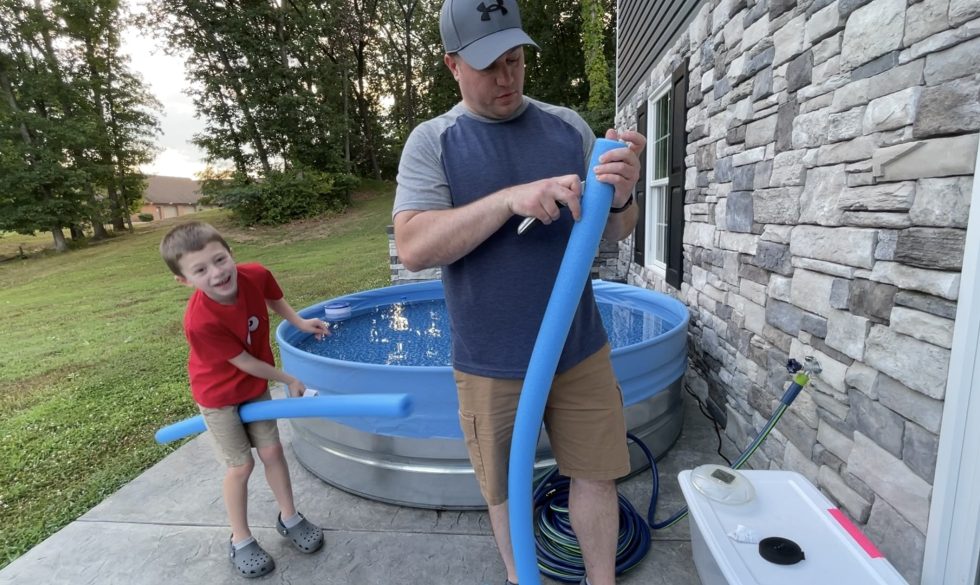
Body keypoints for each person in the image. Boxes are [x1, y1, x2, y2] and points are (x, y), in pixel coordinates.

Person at [392, 1, 645, 584]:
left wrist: (625, 197)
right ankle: (520, 578)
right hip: (490, 361)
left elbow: (613, 230)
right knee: (506, 490)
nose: (507, 78)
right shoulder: (434, 142)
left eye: (515, 60)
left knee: (596, 474)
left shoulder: (567, 128)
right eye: (489, 66)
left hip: (578, 348)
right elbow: (413, 246)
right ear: (453, 65)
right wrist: (508, 200)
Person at [159, 221, 329, 579]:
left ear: (231, 253)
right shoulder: (200, 321)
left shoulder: (254, 274)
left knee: (272, 452)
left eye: (220, 260)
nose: (217, 273)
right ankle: (240, 539)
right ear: (184, 280)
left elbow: (272, 295)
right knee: (240, 467)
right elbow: (245, 362)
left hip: (253, 388)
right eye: (201, 270)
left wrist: (299, 323)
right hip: (218, 397)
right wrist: (289, 378)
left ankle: (290, 517)